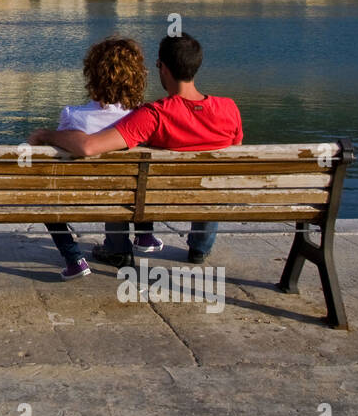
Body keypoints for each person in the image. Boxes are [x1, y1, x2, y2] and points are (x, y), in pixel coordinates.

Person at [29, 32, 242, 266]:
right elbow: (234, 153)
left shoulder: (154, 115)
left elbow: (88, 147)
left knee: (124, 176)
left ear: (162, 67)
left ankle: (115, 248)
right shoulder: (229, 108)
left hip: (156, 199)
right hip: (201, 196)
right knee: (209, 180)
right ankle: (199, 248)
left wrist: (47, 135)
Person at [38, 36, 164, 280]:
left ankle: (74, 259)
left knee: (44, 197)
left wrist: (45, 136)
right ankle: (144, 234)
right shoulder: (146, 118)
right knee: (134, 181)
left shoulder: (73, 117)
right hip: (132, 199)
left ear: (92, 75)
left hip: (81, 197)